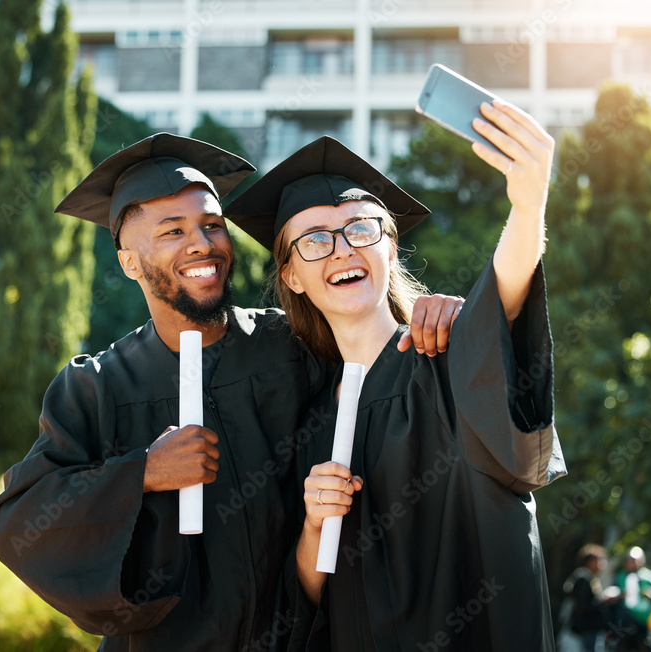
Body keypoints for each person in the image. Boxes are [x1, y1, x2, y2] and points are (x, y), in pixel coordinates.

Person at [0, 133, 462, 650]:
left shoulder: (295, 345)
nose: (201, 243)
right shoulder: (97, 386)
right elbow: (19, 522)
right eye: (172, 232)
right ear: (128, 263)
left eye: (212, 225)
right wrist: (142, 472)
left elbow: (378, 353)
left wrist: (436, 318)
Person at [226, 96, 565, 650]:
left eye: (361, 228)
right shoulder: (306, 418)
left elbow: (502, 300)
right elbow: (303, 597)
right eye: (314, 240)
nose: (341, 250)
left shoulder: (446, 362)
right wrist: (314, 524)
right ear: (289, 274)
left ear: (389, 244)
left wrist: (528, 209)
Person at [613, 546, 651, 651]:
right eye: (630, 560)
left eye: (635, 560)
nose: (632, 563)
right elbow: (612, 594)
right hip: (623, 625)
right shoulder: (620, 577)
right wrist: (619, 595)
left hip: (644, 626)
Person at [564, 544, 610, 652]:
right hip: (586, 629)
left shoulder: (590, 578)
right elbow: (583, 606)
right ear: (591, 562)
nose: (602, 564)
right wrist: (603, 601)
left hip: (590, 629)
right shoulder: (583, 579)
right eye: (599, 560)